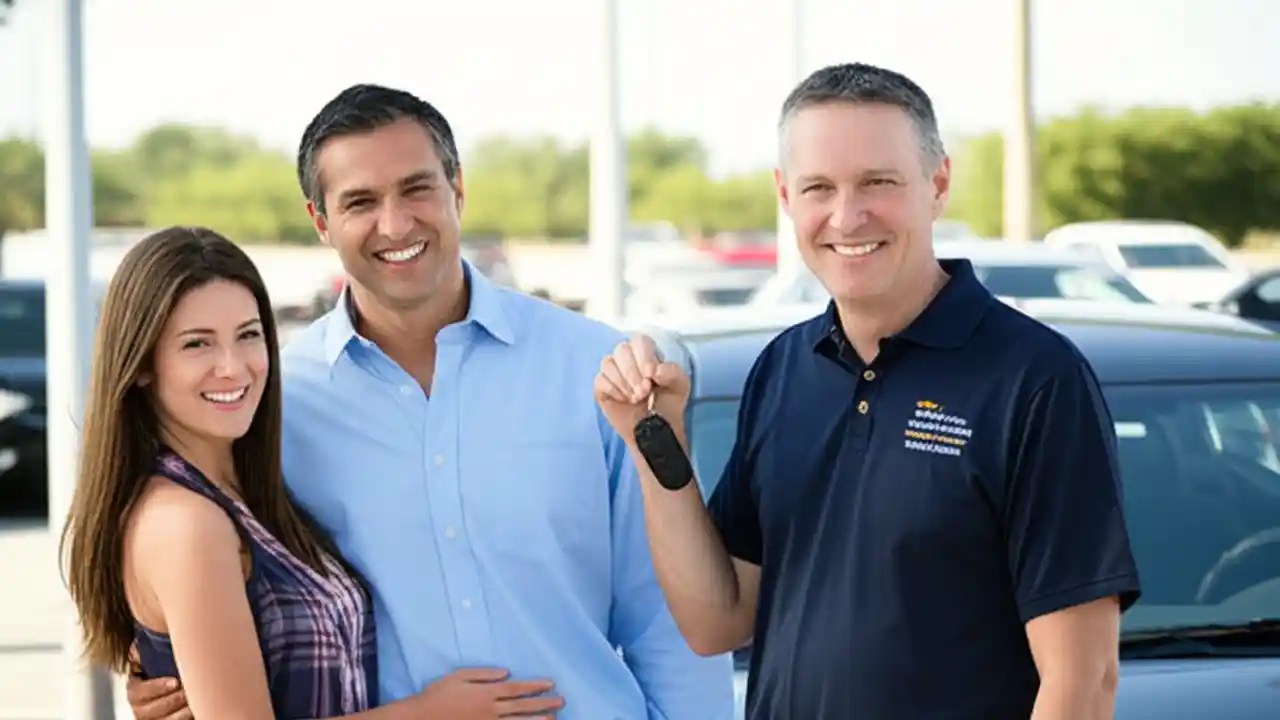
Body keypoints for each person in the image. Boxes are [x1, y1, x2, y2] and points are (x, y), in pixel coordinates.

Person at [125, 85, 735, 720]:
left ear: (458, 190)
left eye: (416, 188)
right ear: (320, 221)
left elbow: (672, 621)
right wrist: (165, 672)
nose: (395, 224)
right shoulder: (274, 405)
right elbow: (209, 578)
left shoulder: (592, 372)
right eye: (360, 201)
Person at [595, 62, 1142, 719]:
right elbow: (718, 622)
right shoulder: (782, 369)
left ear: (937, 184)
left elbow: (1084, 683)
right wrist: (656, 444)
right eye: (819, 187)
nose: (846, 216)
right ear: (785, 196)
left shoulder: (1034, 379)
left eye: (877, 183)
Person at [61, 226, 562, 719]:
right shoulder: (184, 523)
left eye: (248, 335)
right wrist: (430, 713)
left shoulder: (245, 489)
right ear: (143, 363)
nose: (233, 367)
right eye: (197, 344)